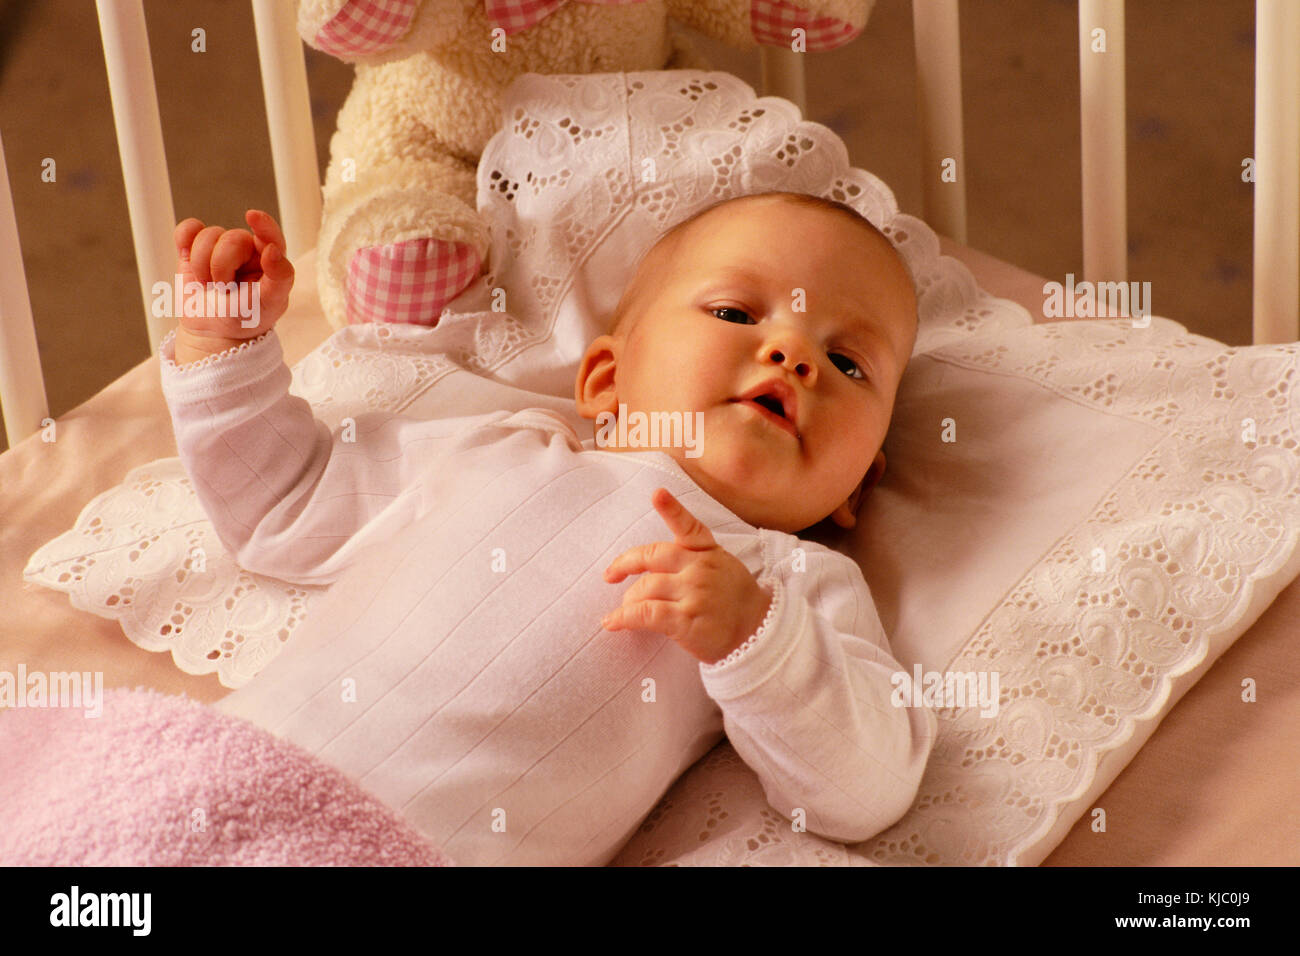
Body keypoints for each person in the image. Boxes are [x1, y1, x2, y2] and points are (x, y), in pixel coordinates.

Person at [162, 191, 935, 865]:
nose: (793, 353)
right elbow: (288, 499)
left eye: (848, 364)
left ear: (858, 483)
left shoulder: (783, 588)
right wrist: (223, 355)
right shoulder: (500, 451)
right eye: (735, 312)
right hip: (224, 771)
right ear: (606, 380)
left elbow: (865, 789)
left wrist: (755, 642)